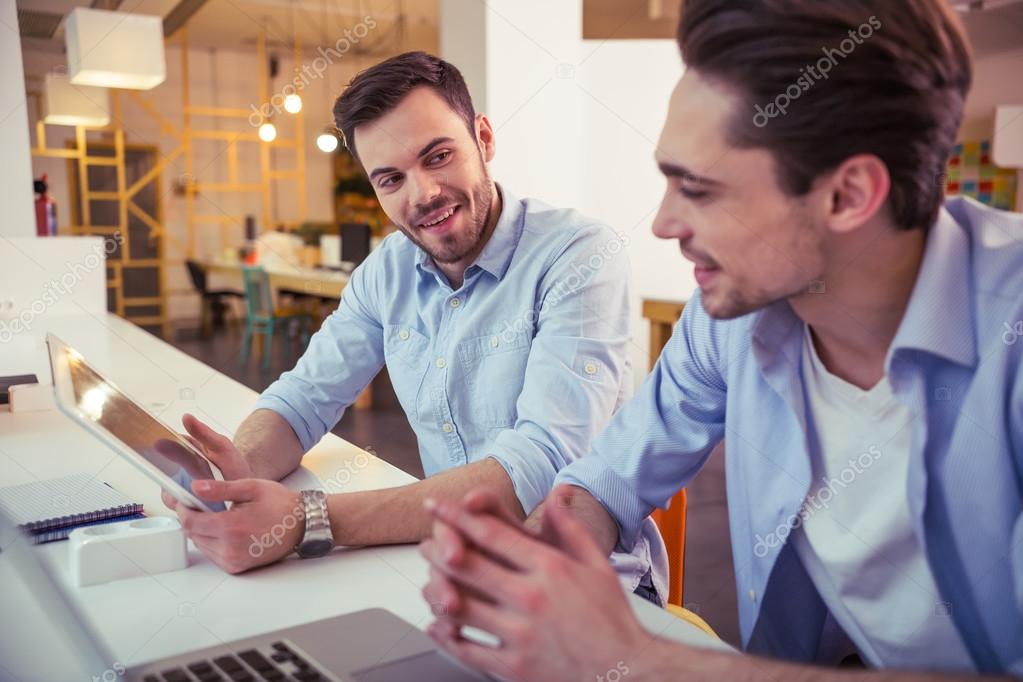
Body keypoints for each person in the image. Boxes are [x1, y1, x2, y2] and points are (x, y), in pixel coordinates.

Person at [419, 1, 1023, 679]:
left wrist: (637, 657)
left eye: (698, 190)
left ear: (848, 195)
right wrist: (524, 572)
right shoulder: (729, 319)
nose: (662, 223)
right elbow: (608, 480)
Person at [160, 52, 647, 587]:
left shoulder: (580, 255)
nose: (423, 195)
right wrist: (235, 474)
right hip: (449, 563)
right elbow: (303, 398)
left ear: (483, 138)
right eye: (391, 179)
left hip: (587, 585)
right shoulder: (385, 273)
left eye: (438, 156)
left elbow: (540, 466)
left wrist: (308, 519)